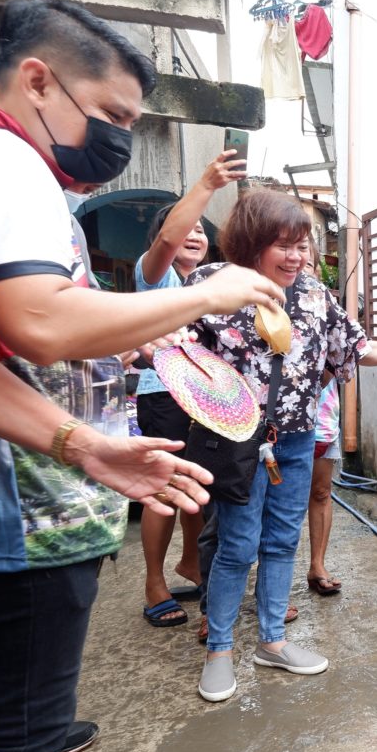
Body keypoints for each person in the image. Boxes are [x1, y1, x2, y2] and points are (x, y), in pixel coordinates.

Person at [0, 0, 283, 752]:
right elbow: (39, 321)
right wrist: (202, 296)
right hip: (19, 509)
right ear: (38, 81)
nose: (120, 137)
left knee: (26, 740)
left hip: (38, 486)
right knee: (14, 747)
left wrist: (102, 394)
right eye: (113, 115)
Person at [190, 189, 377, 703]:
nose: (296, 257)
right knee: (237, 546)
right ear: (252, 242)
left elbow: (354, 348)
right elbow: (174, 348)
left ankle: (272, 642)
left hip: (297, 437)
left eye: (302, 245)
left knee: (283, 541)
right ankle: (219, 650)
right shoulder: (212, 283)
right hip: (236, 441)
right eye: (283, 245)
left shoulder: (313, 294)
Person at [135, 151, 244, 628]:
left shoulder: (208, 283)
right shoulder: (152, 274)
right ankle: (154, 584)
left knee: (198, 484)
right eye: (186, 228)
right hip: (162, 393)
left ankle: (193, 564)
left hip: (205, 400)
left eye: (201, 229)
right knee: (163, 487)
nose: (195, 234)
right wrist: (207, 186)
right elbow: (166, 240)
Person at [305, 377, 344, 595]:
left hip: (324, 419)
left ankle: (317, 566)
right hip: (283, 421)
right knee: (275, 502)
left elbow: (353, 359)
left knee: (321, 492)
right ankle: (271, 590)